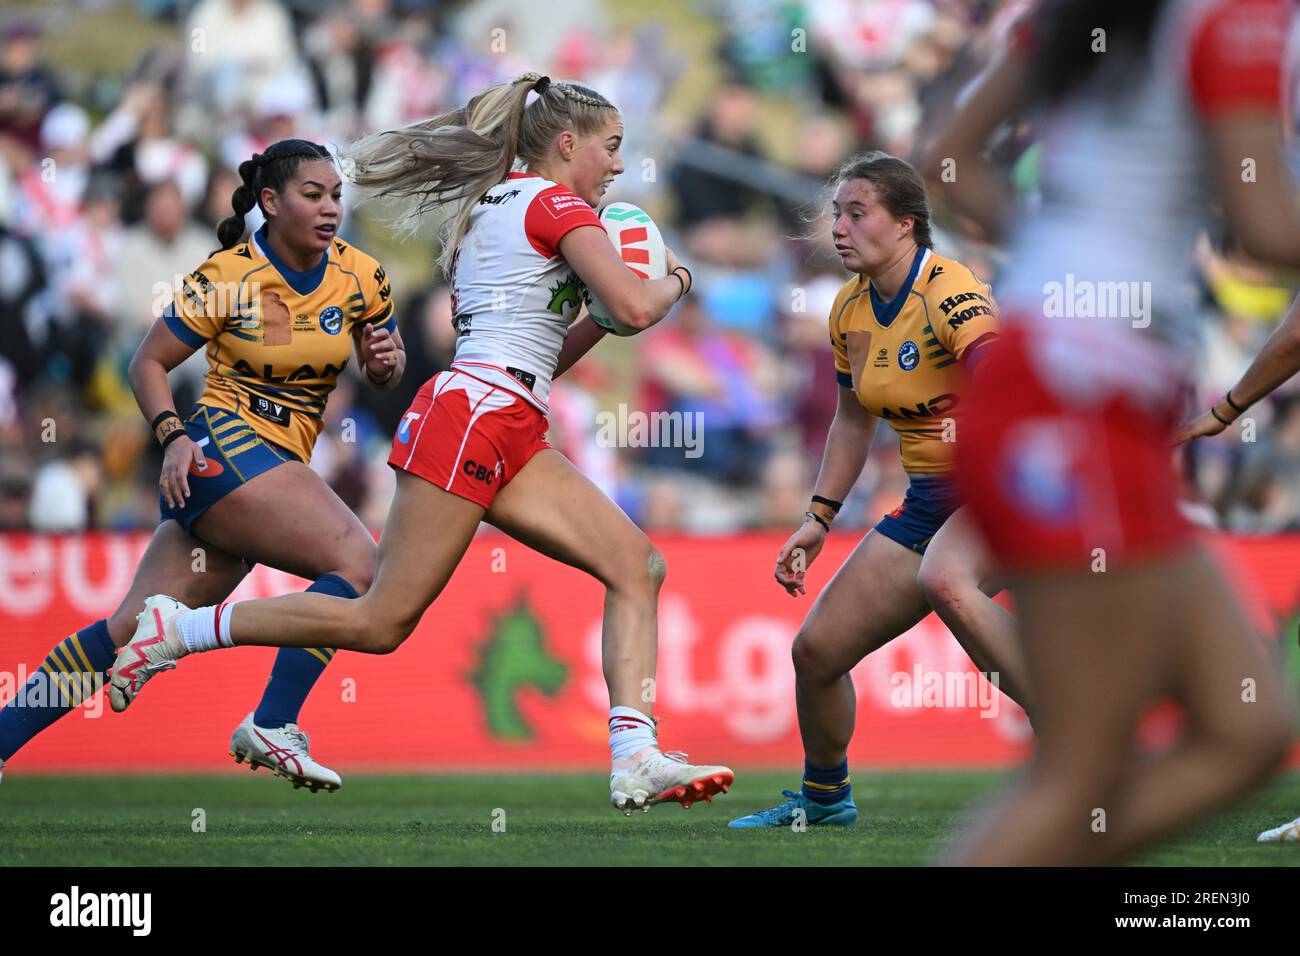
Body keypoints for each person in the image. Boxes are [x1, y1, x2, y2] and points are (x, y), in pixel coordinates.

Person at [111, 73, 734, 814]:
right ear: (568, 144)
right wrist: (677, 278)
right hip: (477, 416)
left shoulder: (502, 204)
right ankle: (179, 629)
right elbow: (637, 305)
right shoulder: (556, 204)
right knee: (380, 621)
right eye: (613, 147)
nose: (620, 166)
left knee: (637, 564)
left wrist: (604, 310)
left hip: (503, 411)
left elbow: (544, 354)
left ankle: (635, 755)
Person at [925, 0, 1296, 865]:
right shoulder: (1234, 17)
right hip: (1076, 404)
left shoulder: (1083, 14)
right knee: (1086, 772)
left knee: (1245, 729)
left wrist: (1064, 255)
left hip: (1062, 390)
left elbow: (943, 158)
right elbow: (1270, 228)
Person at [0, 139, 405, 793]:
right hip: (220, 451)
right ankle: (273, 721)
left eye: (335, 195)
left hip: (261, 472)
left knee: (124, 630)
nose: (330, 208)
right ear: (270, 203)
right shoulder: (228, 276)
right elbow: (146, 362)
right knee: (360, 568)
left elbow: (383, 366)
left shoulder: (362, 276)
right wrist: (172, 436)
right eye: (313, 194)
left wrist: (386, 366)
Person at [729, 152, 1029, 829]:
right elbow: (852, 421)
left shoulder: (949, 290)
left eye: (856, 213)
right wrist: (818, 517)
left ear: (905, 226)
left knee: (946, 581)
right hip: (929, 502)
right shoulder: (849, 309)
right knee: (817, 652)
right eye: (836, 213)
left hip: (999, 490)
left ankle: (1070, 746)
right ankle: (826, 800)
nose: (838, 227)